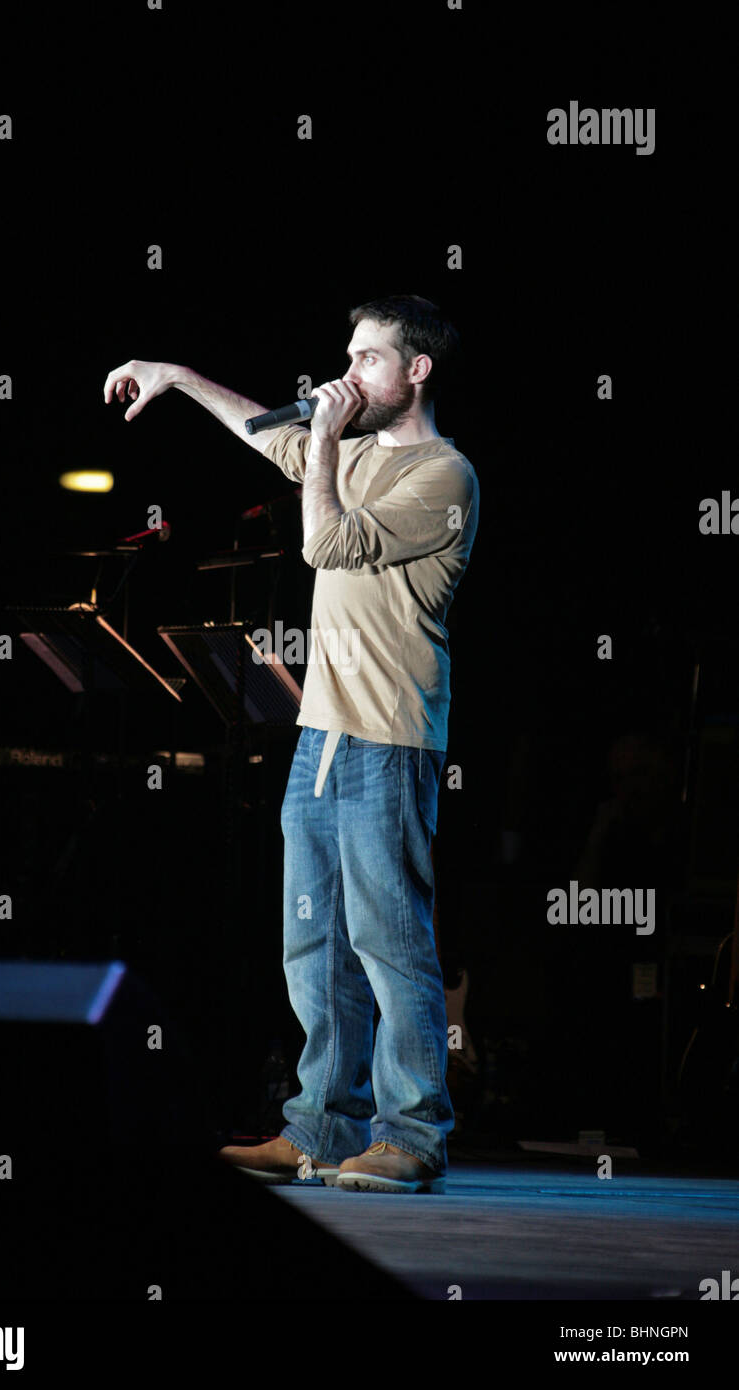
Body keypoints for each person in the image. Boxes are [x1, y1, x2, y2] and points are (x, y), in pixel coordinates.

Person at [104, 294, 479, 1192]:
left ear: (416, 371)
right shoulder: (344, 449)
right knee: (313, 946)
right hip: (321, 738)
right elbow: (259, 434)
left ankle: (413, 1136)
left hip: (390, 739)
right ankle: (319, 1127)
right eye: (346, 357)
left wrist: (319, 442)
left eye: (370, 361)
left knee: (391, 944)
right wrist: (181, 378)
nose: (349, 376)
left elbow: (324, 543)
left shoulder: (443, 476)